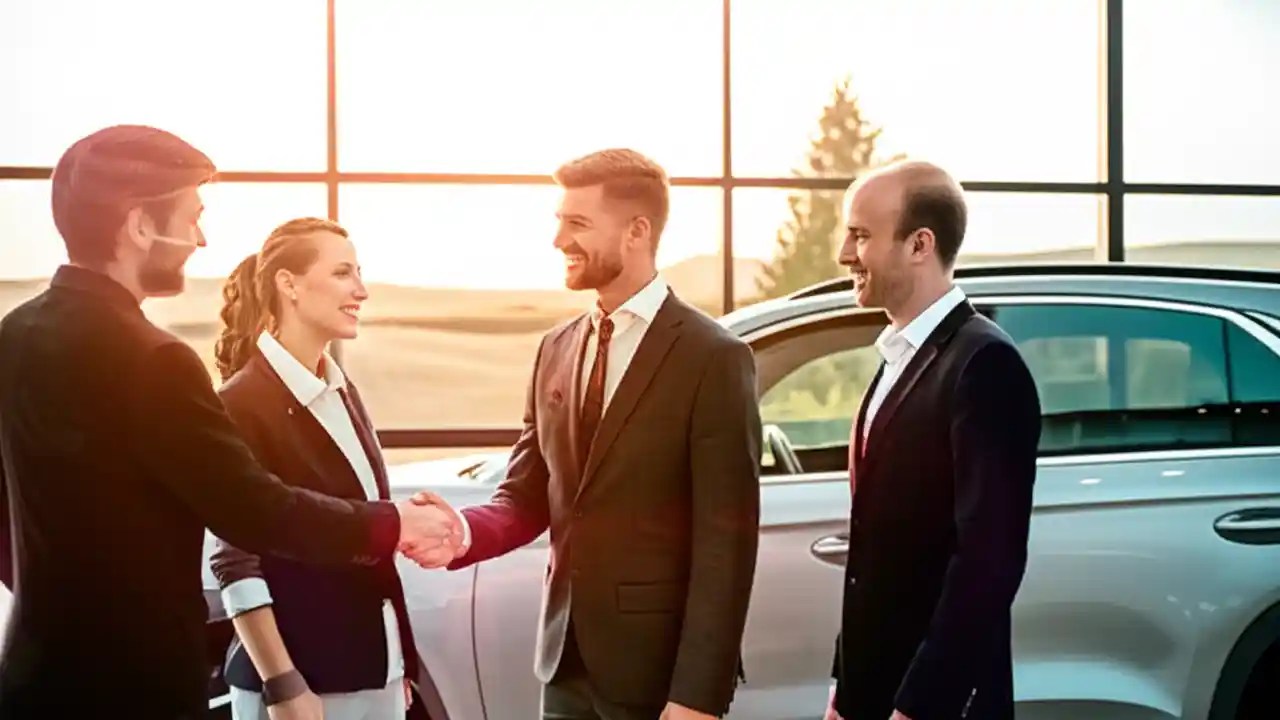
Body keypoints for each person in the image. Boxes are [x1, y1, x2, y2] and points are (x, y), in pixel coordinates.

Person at [0, 125, 458, 719]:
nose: (200, 238)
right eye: (191, 217)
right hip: (132, 686)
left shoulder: (15, 335)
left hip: (34, 676)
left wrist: (59, 603)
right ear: (140, 227)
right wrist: (392, 525)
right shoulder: (154, 360)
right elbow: (256, 510)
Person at [415, 149, 762, 720]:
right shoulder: (555, 348)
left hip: (658, 676)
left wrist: (697, 696)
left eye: (576, 224)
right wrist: (463, 532)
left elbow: (727, 545)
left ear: (637, 231)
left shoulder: (714, 359)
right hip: (563, 664)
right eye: (558, 221)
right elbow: (527, 493)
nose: (557, 241)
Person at [824, 160, 1042, 720]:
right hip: (874, 694)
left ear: (920, 244)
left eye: (861, 235)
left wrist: (922, 705)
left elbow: (987, 565)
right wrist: (844, 690)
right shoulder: (897, 356)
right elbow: (872, 559)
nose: (845, 253)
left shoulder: (984, 363)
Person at [208, 217, 429, 719]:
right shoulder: (240, 403)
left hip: (374, 675)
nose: (362, 290)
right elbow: (234, 563)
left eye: (359, 273)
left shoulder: (340, 388)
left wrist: (400, 666)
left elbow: (365, 536)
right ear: (288, 284)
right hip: (302, 690)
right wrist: (283, 685)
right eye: (342, 274)